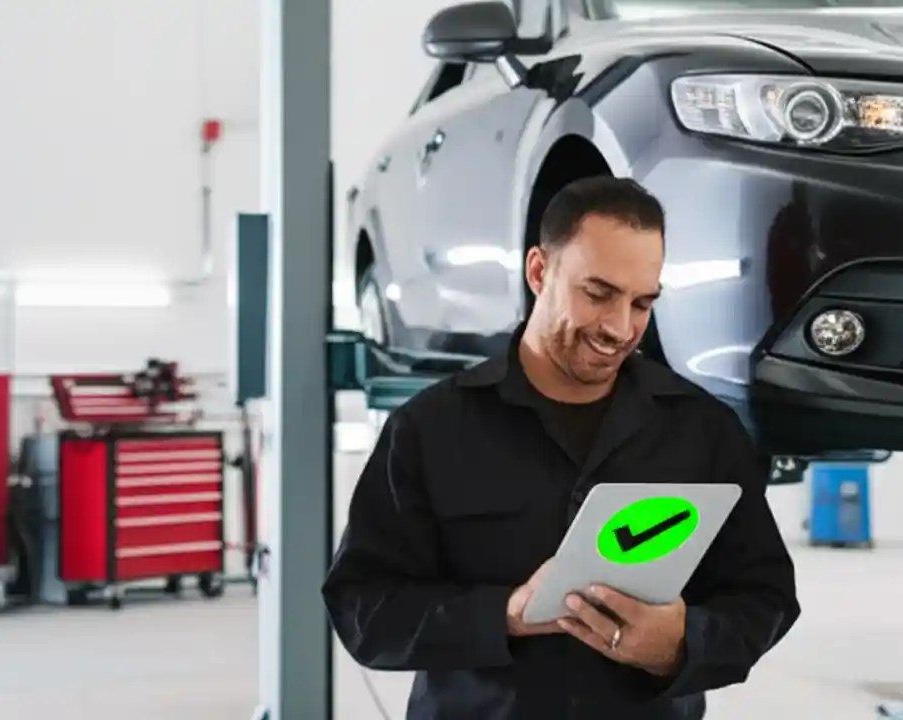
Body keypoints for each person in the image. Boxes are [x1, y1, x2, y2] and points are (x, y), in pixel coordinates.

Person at [322, 176, 801, 719]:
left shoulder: (701, 430)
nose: (620, 327)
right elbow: (363, 609)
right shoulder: (430, 429)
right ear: (538, 271)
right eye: (598, 294)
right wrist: (503, 615)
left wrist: (681, 643)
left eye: (642, 303)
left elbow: (765, 596)